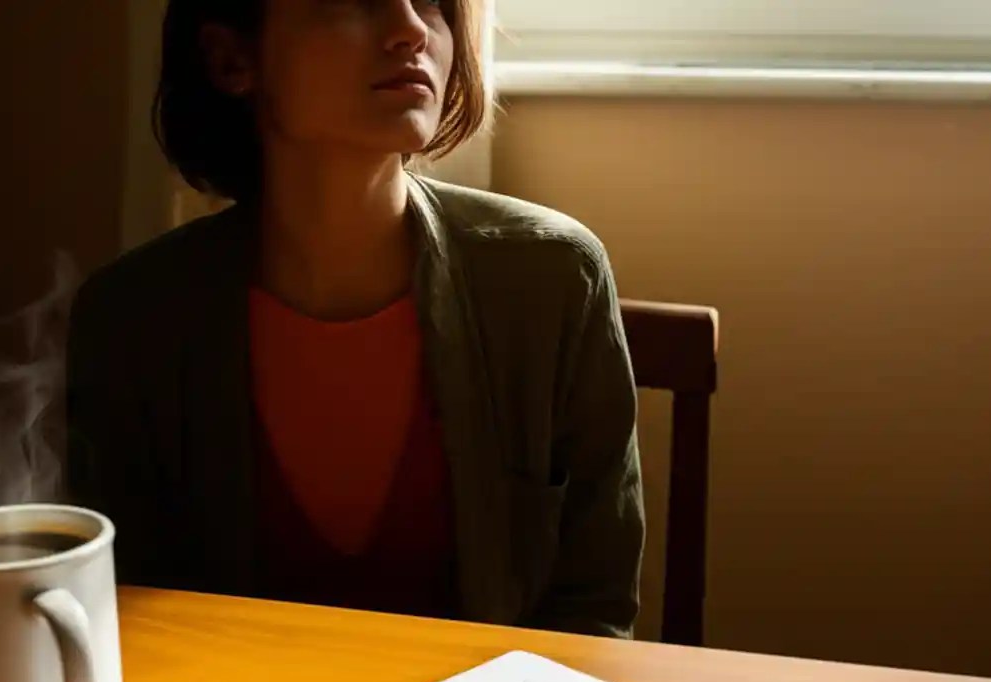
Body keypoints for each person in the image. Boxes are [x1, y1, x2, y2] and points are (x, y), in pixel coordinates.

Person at [66, 0, 644, 638]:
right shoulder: (132, 319)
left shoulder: (553, 279)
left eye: (431, 3)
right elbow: (128, 623)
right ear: (231, 60)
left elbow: (593, 613)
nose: (411, 29)